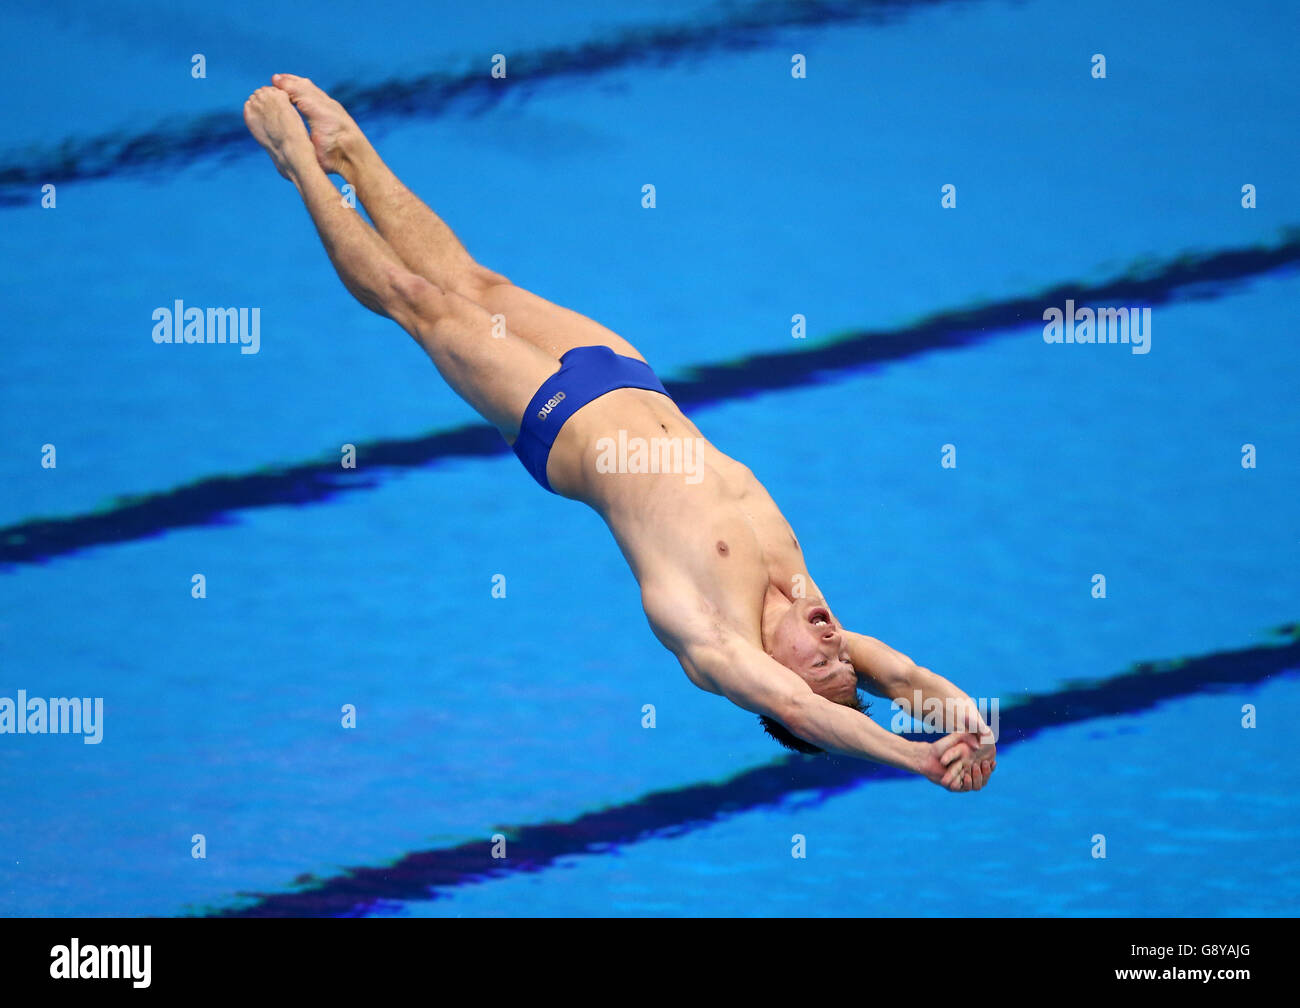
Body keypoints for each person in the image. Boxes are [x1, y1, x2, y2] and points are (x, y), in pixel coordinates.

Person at [243, 75, 997, 791]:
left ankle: (301, 166)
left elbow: (805, 709)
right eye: (842, 660)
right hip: (631, 380)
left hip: (560, 427)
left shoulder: (714, 638)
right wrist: (971, 730)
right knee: (478, 285)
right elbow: (903, 679)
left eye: (824, 663)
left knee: (418, 302)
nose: (837, 645)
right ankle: (351, 151)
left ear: (774, 676)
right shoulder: (804, 604)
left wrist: (914, 760)